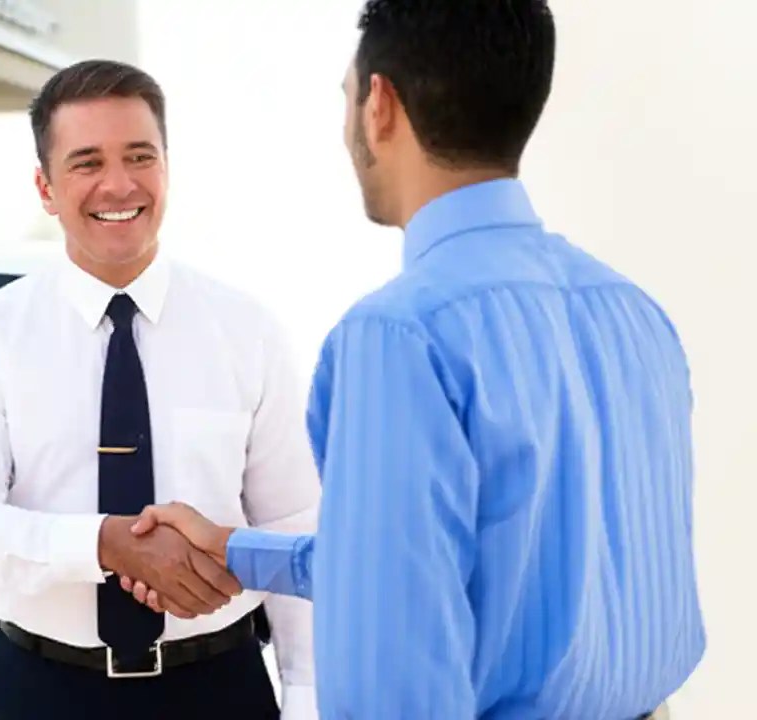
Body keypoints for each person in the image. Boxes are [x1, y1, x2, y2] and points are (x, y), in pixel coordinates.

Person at [121, 1, 706, 718]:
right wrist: (235, 550)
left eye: (346, 97)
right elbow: (472, 570)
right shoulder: (632, 311)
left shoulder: (399, 338)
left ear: (380, 106)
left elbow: (394, 684)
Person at [0, 59, 320, 720]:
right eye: (86, 162)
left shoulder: (248, 331)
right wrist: (103, 543)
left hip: (219, 689)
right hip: (40, 690)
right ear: (45, 187)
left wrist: (306, 701)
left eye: (140, 156)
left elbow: (294, 528)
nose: (119, 184)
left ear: (166, 169)